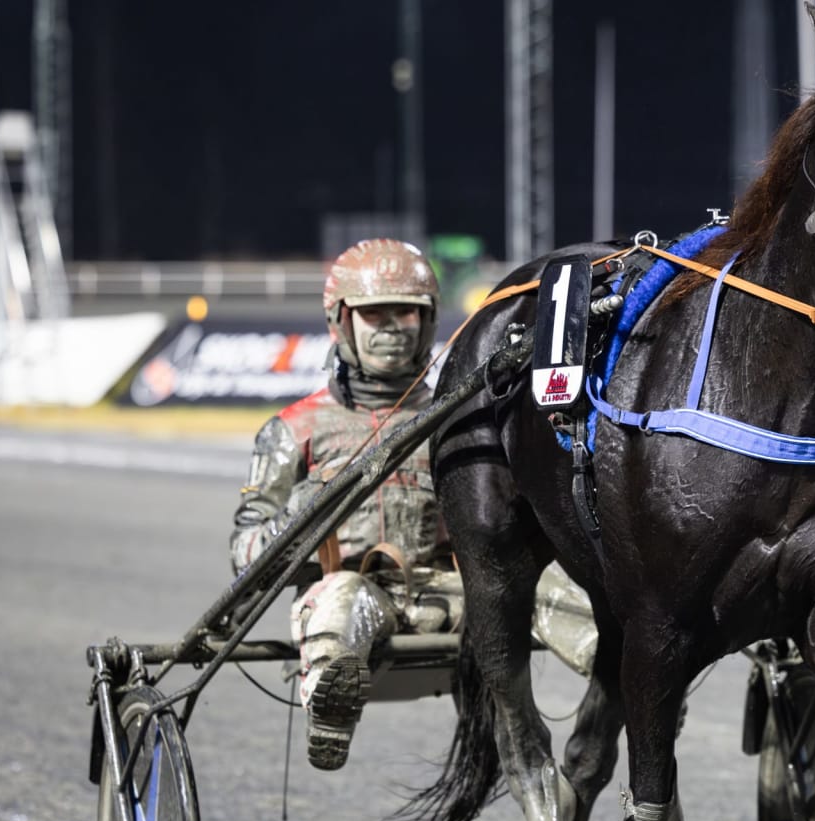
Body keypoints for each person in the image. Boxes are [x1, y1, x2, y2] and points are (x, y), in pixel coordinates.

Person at [230, 239, 595, 771]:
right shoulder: (293, 431)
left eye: (406, 312)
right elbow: (243, 555)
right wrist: (298, 516)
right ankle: (332, 699)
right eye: (373, 313)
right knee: (343, 596)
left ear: (427, 323)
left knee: (542, 584)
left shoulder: (465, 415)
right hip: (355, 601)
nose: (391, 326)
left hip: (457, 596)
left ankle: (621, 672)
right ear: (340, 320)